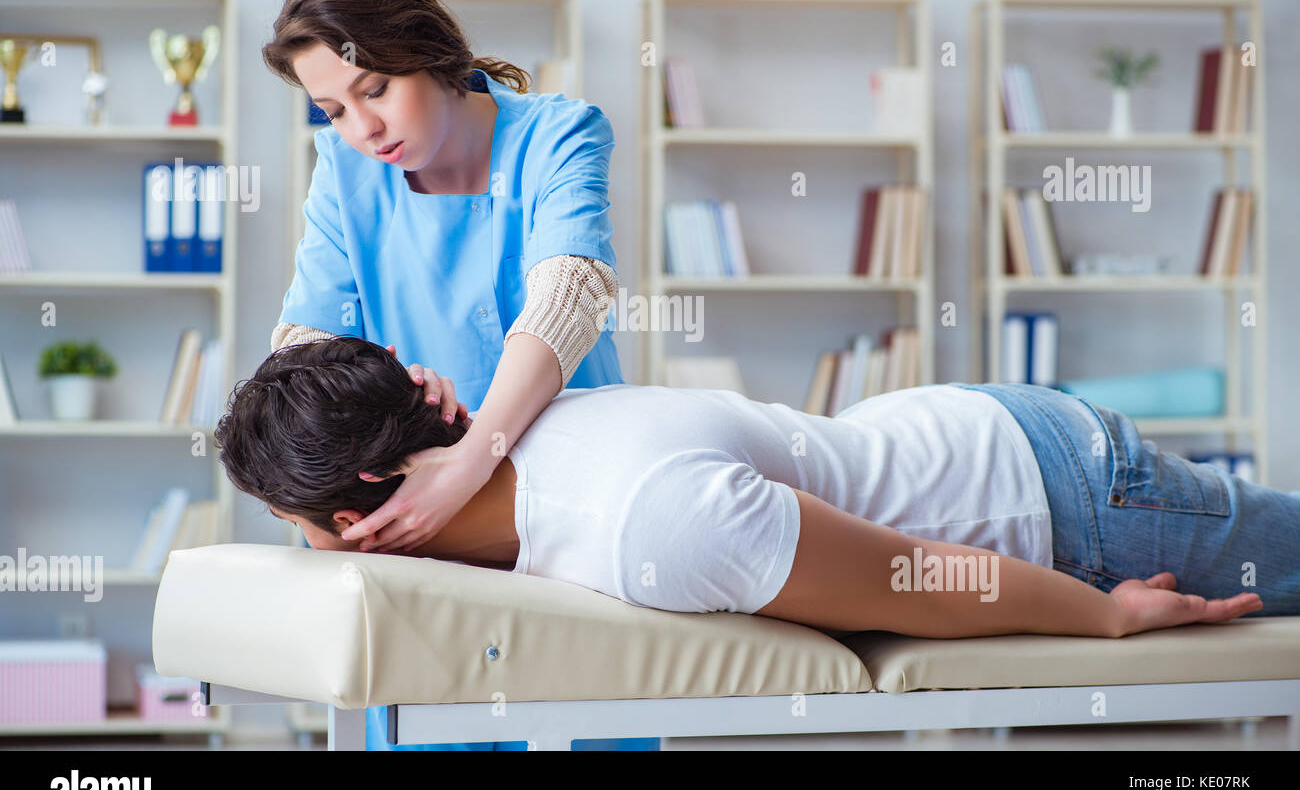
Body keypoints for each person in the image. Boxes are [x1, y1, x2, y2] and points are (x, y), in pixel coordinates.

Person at [216, 337, 1299, 641]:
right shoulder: (500, 434)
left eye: (297, 526)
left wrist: (1104, 613)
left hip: (1059, 502)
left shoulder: (649, 521)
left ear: (358, 524)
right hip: (975, 429)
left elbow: (922, 582)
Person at [261, 0, 652, 750]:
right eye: (333, 109)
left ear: (431, 50)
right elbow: (309, 339)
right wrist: (367, 399)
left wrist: (472, 458)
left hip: (572, 497)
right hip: (423, 524)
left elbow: (569, 293)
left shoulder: (558, 134)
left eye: (375, 89)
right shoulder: (343, 170)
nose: (363, 128)